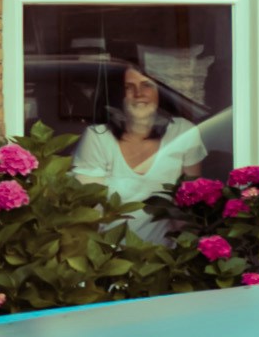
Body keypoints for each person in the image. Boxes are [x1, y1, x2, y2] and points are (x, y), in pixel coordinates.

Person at [69, 60, 216, 228]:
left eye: (147, 85)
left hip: (162, 252)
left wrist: (184, 249)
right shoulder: (98, 138)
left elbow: (189, 204)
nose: (139, 93)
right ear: (119, 95)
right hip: (108, 250)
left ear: (160, 92)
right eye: (128, 87)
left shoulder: (183, 132)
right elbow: (89, 211)